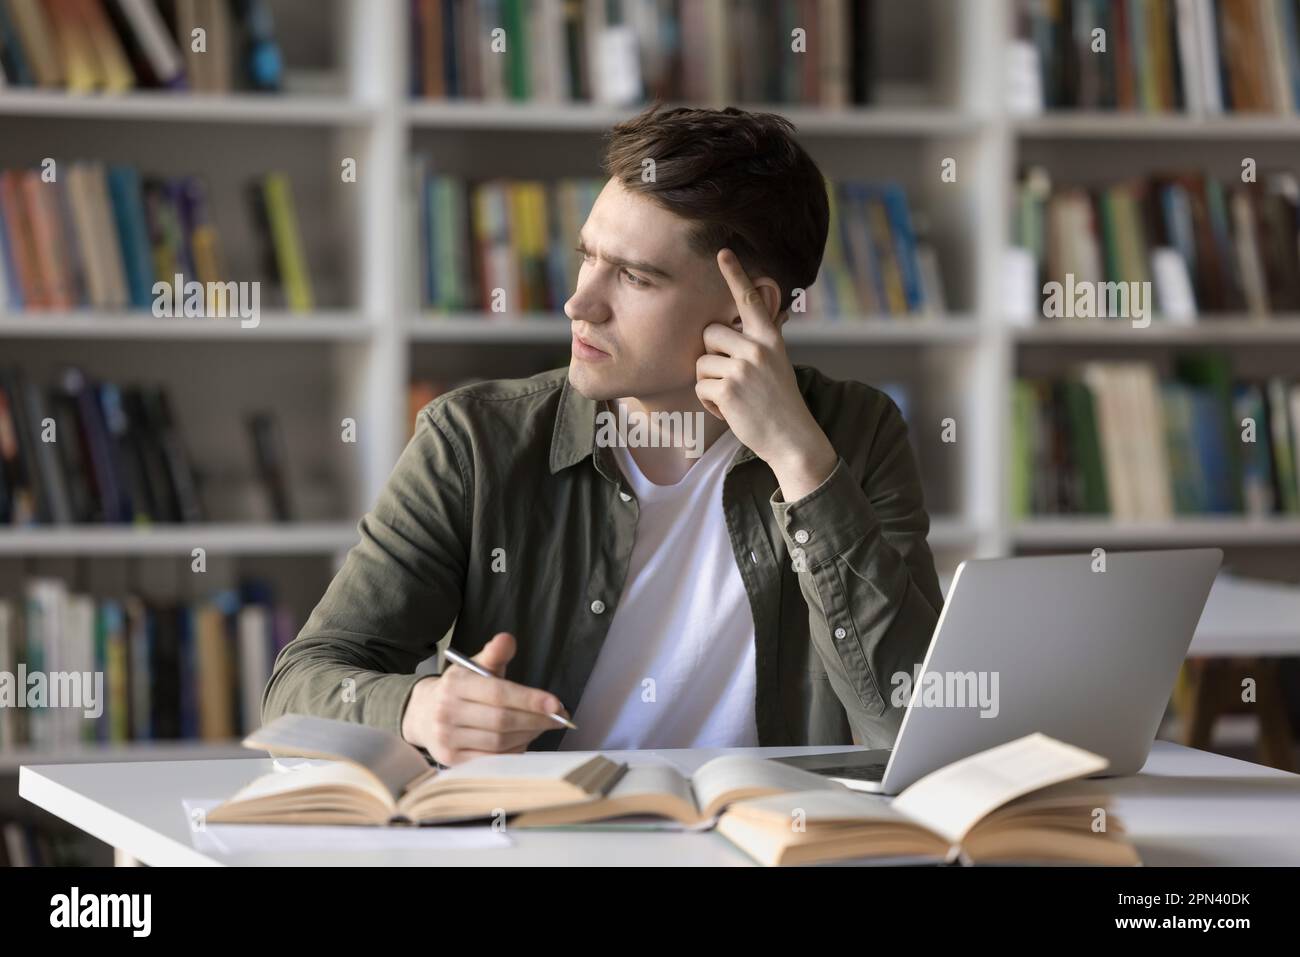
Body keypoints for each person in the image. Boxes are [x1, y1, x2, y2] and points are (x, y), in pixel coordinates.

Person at [263, 104, 943, 765]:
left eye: (634, 277)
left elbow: (909, 725)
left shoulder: (853, 436)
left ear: (751, 308)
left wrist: (801, 464)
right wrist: (418, 708)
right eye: (589, 257)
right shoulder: (472, 441)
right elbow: (297, 689)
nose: (579, 303)